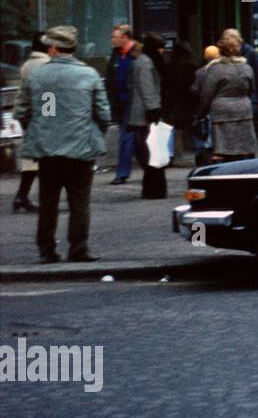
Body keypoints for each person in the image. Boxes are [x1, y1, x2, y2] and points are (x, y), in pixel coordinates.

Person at [16, 26, 112, 263]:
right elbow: (103, 114)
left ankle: (47, 250)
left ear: (54, 49)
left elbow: (23, 111)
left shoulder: (38, 75)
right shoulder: (89, 74)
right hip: (81, 150)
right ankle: (78, 248)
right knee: (80, 202)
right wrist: (92, 133)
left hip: (48, 150)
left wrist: (41, 130)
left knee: (48, 201)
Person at [198, 30, 258, 163]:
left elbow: (207, 94)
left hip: (221, 113)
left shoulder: (215, 69)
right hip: (243, 111)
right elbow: (252, 90)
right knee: (244, 148)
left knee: (221, 149)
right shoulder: (246, 68)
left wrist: (201, 113)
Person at [11, 34, 48, 212]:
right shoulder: (47, 66)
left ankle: (22, 196)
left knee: (31, 160)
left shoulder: (27, 65)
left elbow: (23, 94)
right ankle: (34, 197)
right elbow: (49, 96)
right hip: (43, 118)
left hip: (28, 117)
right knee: (48, 159)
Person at [131, 33, 168, 199]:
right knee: (153, 152)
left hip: (145, 111)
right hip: (147, 113)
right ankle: (154, 188)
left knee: (151, 152)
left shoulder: (144, 61)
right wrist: (154, 110)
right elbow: (148, 90)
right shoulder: (146, 63)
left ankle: (153, 187)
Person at [107, 24, 138, 184]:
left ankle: (122, 172)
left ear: (125, 37)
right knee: (128, 137)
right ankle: (125, 171)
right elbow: (111, 76)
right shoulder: (117, 54)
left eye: (115, 37)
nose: (113, 40)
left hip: (134, 102)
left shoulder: (137, 53)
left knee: (127, 138)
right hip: (120, 102)